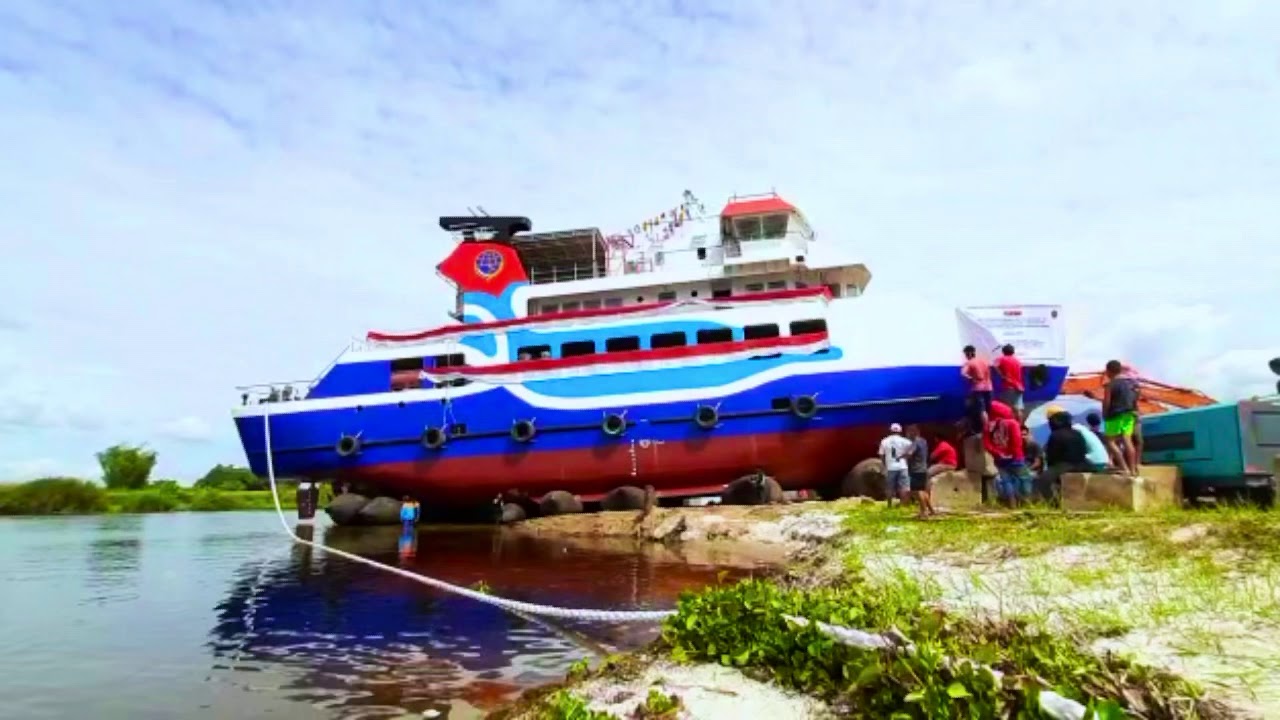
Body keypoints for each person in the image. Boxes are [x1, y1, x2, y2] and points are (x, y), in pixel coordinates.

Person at [983, 401, 1031, 507]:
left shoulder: (988, 426)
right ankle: (1026, 502)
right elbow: (1017, 441)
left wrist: (998, 454)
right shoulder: (1012, 423)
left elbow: (986, 444)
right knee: (1024, 478)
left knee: (1006, 481)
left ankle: (1011, 504)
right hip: (1016, 458)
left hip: (1000, 460)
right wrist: (1012, 454)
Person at [1040, 407, 1090, 504]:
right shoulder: (1077, 433)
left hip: (1064, 465)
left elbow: (1052, 456)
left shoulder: (1055, 435)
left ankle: (1053, 503)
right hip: (1082, 463)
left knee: (1043, 480)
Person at [1102, 359, 1141, 474]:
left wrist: (1105, 414)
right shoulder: (1131, 384)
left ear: (1109, 371)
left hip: (1115, 414)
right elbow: (1136, 397)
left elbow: (1107, 402)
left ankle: (1125, 468)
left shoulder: (1110, 385)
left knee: (1110, 441)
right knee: (1127, 440)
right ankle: (1133, 469)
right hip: (1129, 414)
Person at [878, 423, 915, 508]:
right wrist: (906, 458)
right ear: (900, 431)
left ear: (890, 431)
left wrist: (885, 464)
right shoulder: (906, 441)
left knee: (889, 487)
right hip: (902, 466)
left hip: (890, 467)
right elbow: (911, 453)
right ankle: (904, 504)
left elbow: (881, 455)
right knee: (904, 487)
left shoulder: (884, 441)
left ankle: (889, 505)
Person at [904, 425, 934, 517]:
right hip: (923, 467)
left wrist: (901, 457)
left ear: (913, 432)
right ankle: (931, 510)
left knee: (917, 491)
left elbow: (910, 454)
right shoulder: (923, 441)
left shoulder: (915, 442)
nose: (907, 435)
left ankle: (923, 511)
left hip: (916, 469)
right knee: (923, 490)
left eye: (908, 433)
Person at [961, 345, 993, 427]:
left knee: (982, 410)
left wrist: (971, 378)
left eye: (965, 354)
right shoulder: (984, 362)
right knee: (988, 409)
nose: (966, 356)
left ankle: (986, 429)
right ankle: (990, 427)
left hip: (978, 389)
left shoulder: (969, 363)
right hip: (989, 388)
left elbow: (963, 373)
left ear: (968, 353)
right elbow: (988, 374)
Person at [994, 345, 1026, 422]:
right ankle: (1019, 426)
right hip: (1019, 387)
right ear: (1013, 351)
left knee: (1007, 408)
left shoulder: (1002, 359)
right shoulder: (1017, 361)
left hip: (1009, 386)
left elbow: (995, 365)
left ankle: (1009, 426)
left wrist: (1001, 375)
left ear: (1003, 352)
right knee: (1018, 408)